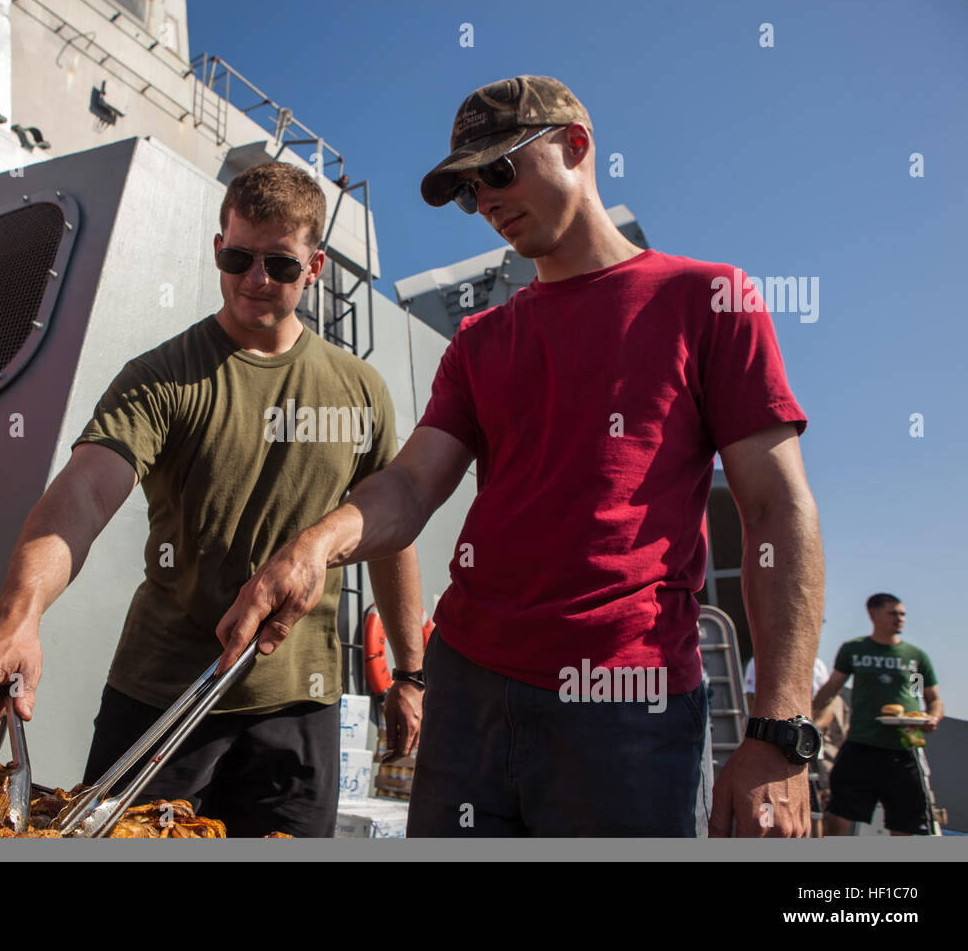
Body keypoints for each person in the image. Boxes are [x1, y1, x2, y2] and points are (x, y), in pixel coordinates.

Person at [216, 76, 824, 837]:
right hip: (467, 694)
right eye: (470, 190)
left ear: (576, 146)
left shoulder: (709, 301)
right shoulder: (479, 343)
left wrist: (781, 730)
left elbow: (777, 510)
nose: (488, 201)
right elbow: (409, 484)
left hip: (625, 707)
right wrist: (315, 547)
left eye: (499, 170)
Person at [0, 161, 426, 837]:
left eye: (281, 265)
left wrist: (410, 675)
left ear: (315, 267)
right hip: (160, 698)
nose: (256, 279)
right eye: (238, 257)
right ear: (216, 249)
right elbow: (84, 493)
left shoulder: (359, 390)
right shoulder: (161, 378)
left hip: (298, 709)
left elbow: (391, 532)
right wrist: (15, 617)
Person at [813, 594, 942, 836]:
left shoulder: (913, 658)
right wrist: (809, 716)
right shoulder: (855, 651)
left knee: (905, 823)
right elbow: (832, 688)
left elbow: (928, 698)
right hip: (861, 745)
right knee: (838, 816)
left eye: (902, 614)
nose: (900, 619)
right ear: (873, 615)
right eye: (893, 613)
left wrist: (931, 718)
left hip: (903, 748)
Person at [745, 654, 847, 836]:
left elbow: (828, 707)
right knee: (768, 808)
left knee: (813, 809)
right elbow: (752, 701)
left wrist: (808, 731)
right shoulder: (759, 659)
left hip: (811, 752)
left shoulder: (819, 665)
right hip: (774, 750)